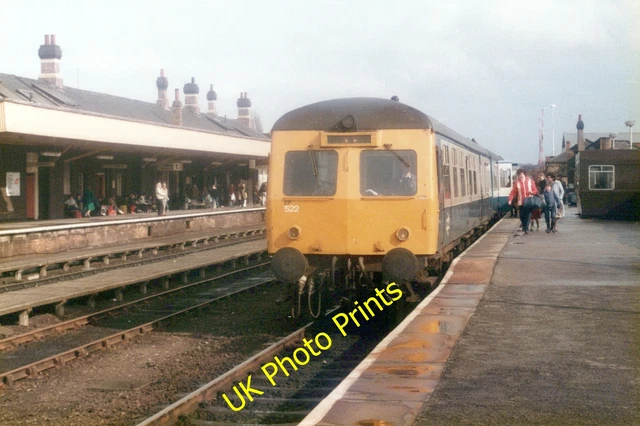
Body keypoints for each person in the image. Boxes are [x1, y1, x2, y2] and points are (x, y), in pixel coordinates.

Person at [508, 168, 538, 235]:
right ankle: (524, 226)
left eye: (521, 174)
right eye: (519, 175)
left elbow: (535, 190)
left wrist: (532, 192)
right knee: (522, 216)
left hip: (529, 202)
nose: (520, 176)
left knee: (528, 215)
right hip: (521, 202)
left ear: (524, 174)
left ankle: (526, 229)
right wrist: (510, 199)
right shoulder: (517, 183)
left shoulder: (530, 181)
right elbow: (513, 192)